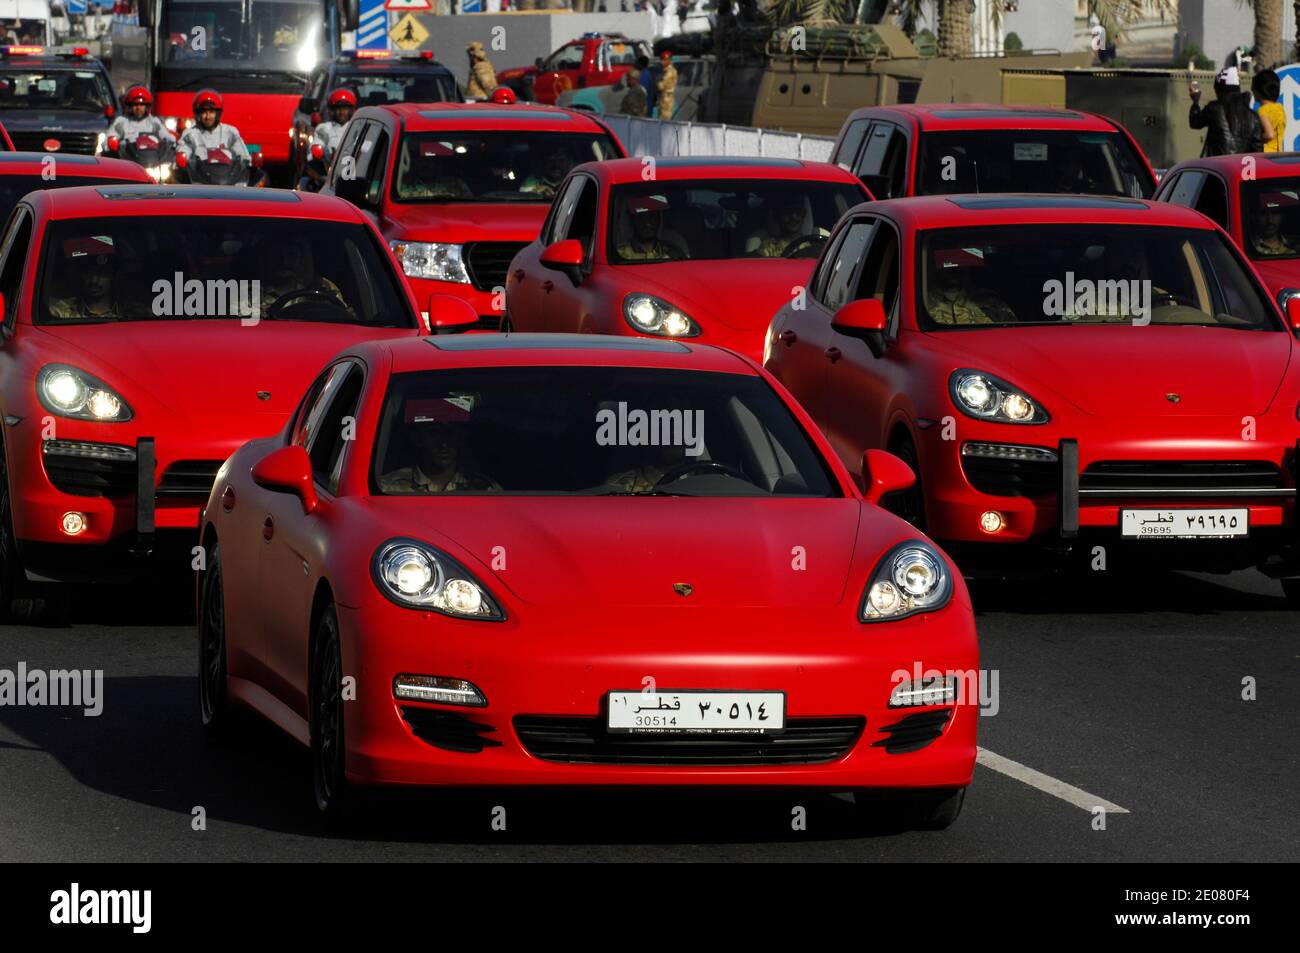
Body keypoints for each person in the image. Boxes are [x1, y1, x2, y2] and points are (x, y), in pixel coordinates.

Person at [380, 398, 500, 494]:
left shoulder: (485, 489)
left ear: (460, 438)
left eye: (450, 433)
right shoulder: (388, 487)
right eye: (434, 433)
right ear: (418, 438)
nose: (443, 444)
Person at [259, 235, 347, 316]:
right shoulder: (253, 291)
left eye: (291, 254)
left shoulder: (323, 288)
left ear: (300, 258)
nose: (284, 261)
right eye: (276, 254)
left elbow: (341, 318)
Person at [176, 89, 252, 181]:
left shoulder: (230, 132)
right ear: (198, 114)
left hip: (227, 181)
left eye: (211, 112)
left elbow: (243, 153)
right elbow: (183, 150)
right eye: (204, 112)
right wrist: (182, 157)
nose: (208, 117)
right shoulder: (190, 134)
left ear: (218, 114)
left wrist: (246, 161)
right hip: (199, 181)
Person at [1189, 67, 1264, 156]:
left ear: (1221, 90)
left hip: (1216, 164)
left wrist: (1195, 102)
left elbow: (1195, 122)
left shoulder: (1214, 109)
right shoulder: (1254, 117)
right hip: (1241, 164)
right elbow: (1258, 151)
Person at [925, 253, 1014, 326]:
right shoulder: (925, 301)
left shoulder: (989, 300)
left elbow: (1011, 330)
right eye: (947, 265)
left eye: (958, 266)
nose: (953, 271)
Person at [300, 88, 354, 190]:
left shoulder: (357, 127)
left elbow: (366, 145)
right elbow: (318, 141)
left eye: (345, 108)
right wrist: (316, 148)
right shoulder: (324, 128)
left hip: (352, 171)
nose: (341, 112)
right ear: (331, 110)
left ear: (351, 110)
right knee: (306, 183)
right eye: (337, 108)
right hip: (328, 171)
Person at [49, 251, 119, 319]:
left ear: (113, 276)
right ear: (81, 275)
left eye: (101, 273)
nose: (94, 280)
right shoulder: (62, 312)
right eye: (88, 272)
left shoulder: (123, 312)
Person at [105, 86, 171, 156]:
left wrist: (172, 142)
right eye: (135, 105)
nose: (138, 108)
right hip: (127, 159)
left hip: (153, 159)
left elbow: (167, 137)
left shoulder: (154, 122)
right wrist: (112, 143)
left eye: (142, 105)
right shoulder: (121, 122)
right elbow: (108, 140)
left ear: (147, 106)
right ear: (130, 106)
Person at [616, 195, 682, 260]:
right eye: (641, 217)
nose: (647, 223)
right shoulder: (620, 255)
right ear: (632, 220)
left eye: (652, 216)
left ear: (659, 220)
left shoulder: (673, 255)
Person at [746, 195, 815, 257]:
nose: (793, 216)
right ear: (778, 217)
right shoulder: (768, 248)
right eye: (787, 212)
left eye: (798, 211)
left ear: (803, 215)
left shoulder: (814, 245)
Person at [1253, 69, 1285, 153]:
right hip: (1278, 154)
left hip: (1265, 154)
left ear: (1257, 91)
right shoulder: (1280, 108)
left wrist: (1253, 140)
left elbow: (1269, 135)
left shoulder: (1262, 111)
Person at [656, 49, 677, 119]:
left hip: (666, 99)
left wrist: (656, 82)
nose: (662, 62)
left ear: (669, 60)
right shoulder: (666, 70)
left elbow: (661, 86)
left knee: (664, 119)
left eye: (664, 60)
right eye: (662, 60)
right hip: (664, 98)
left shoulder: (670, 72)